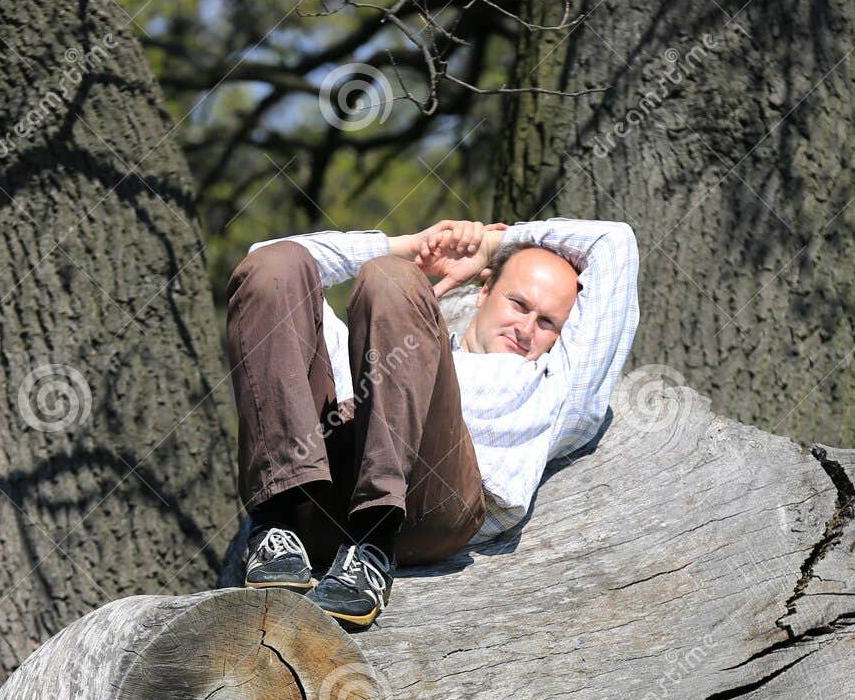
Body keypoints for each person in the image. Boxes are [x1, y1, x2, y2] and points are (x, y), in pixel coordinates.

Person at [225, 215, 639, 628]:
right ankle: (276, 528)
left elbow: (614, 242)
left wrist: (494, 244)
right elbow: (262, 263)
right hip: (319, 499)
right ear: (485, 289)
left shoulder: (556, 385)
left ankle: (373, 544)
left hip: (425, 512)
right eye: (518, 304)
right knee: (277, 268)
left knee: (392, 281)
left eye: (548, 323)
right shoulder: (389, 336)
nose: (526, 328)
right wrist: (406, 246)